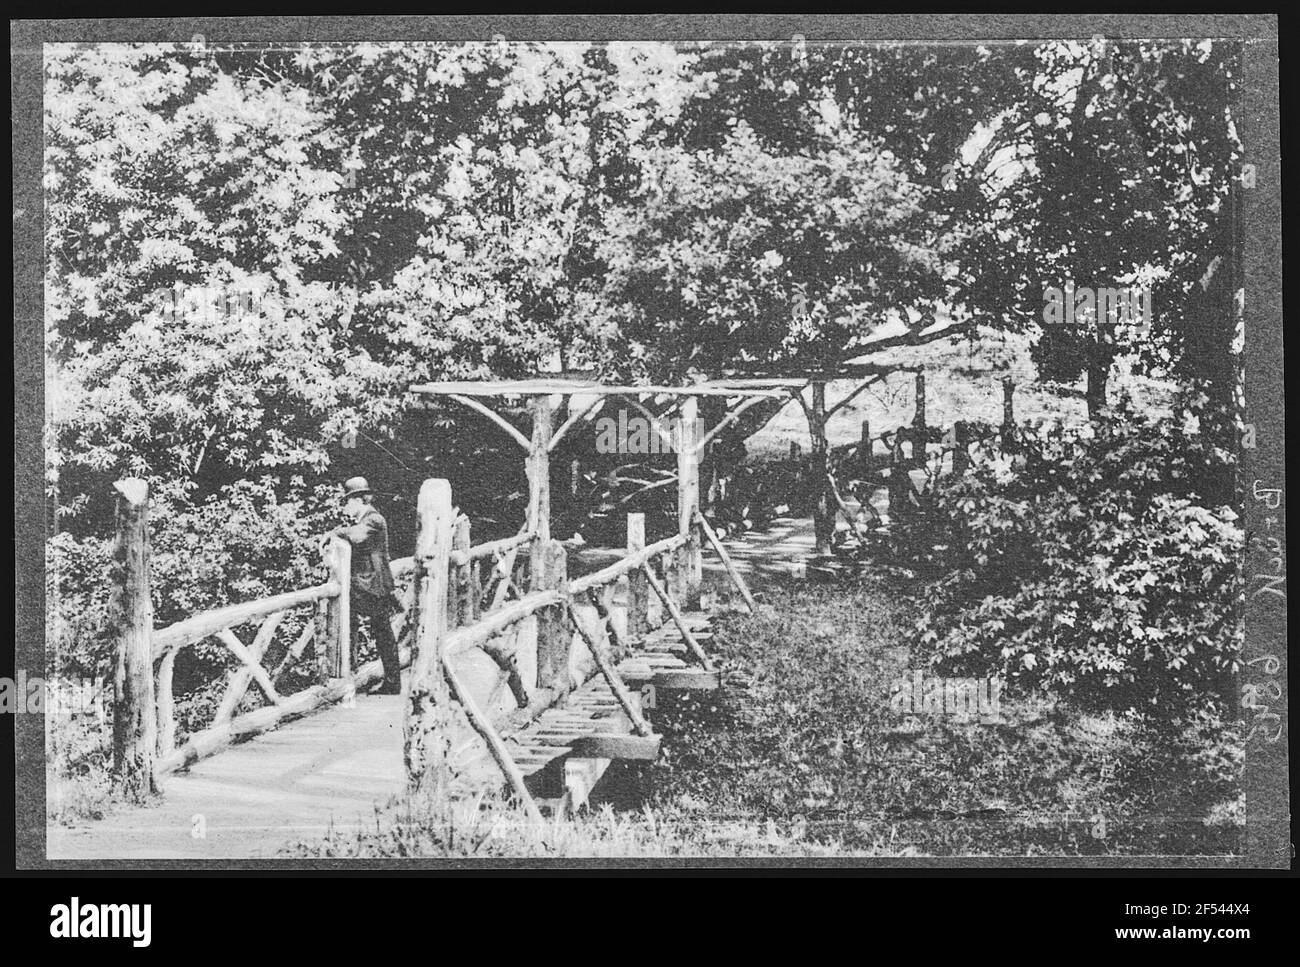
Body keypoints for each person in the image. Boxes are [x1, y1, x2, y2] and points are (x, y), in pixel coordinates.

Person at [328, 476, 401, 694]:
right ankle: (381, 678)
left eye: (348, 502)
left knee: (381, 633)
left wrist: (334, 532)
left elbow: (355, 537)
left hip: (374, 586)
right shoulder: (367, 518)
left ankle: (387, 681)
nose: (346, 507)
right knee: (380, 631)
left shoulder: (373, 519)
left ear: (359, 500)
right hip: (370, 586)